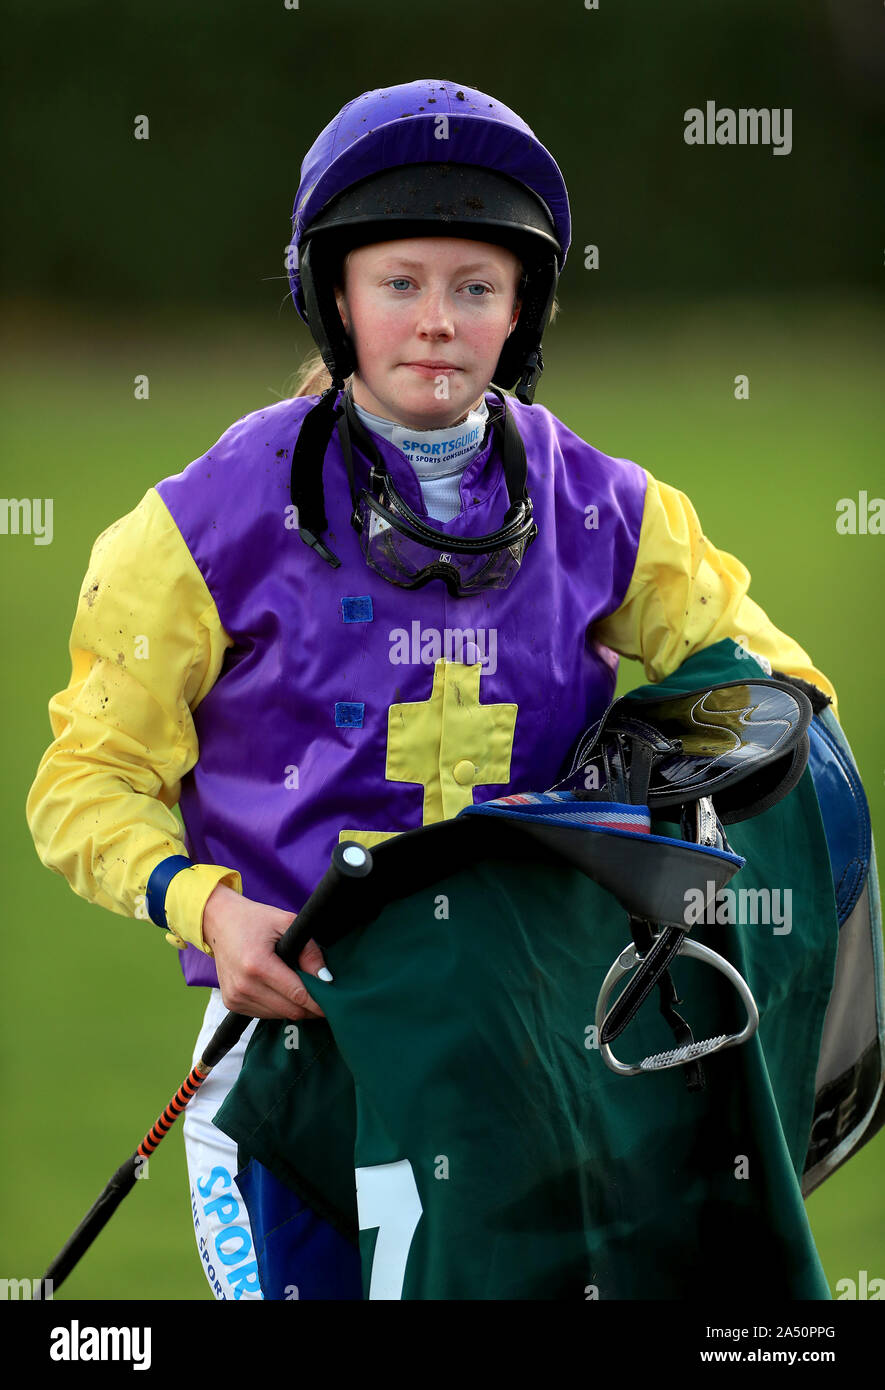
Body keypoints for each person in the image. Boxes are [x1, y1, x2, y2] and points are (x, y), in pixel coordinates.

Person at [25, 77, 838, 1301]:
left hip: (532, 1056)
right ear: (334, 295)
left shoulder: (607, 508)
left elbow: (776, 684)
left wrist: (650, 798)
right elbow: (85, 779)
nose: (437, 323)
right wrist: (205, 908)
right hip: (287, 1063)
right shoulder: (197, 526)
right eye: (400, 282)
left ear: (523, 310)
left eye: (477, 287)